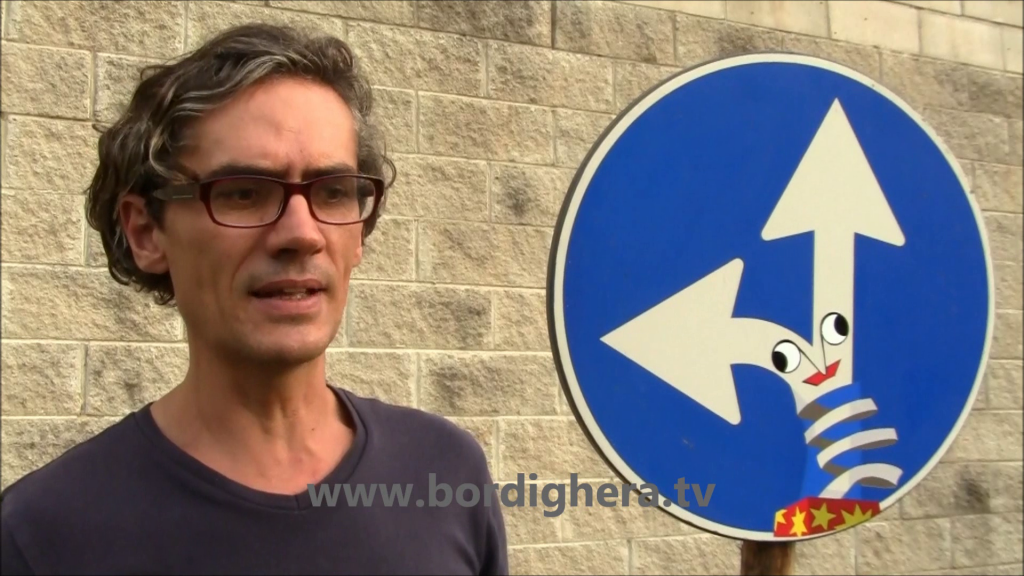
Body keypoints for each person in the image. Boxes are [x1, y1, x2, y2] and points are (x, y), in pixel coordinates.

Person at [0, 23, 507, 575]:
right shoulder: (44, 532)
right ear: (146, 231)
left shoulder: (445, 474)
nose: (303, 234)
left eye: (333, 192)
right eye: (244, 193)